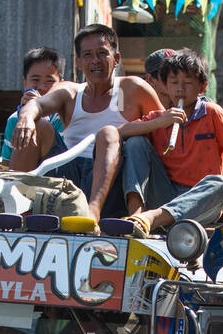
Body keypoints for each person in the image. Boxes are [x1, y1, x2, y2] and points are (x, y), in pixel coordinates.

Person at [9, 23, 162, 220]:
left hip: (114, 184)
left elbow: (164, 133)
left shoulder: (131, 88)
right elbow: (38, 104)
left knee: (108, 133)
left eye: (102, 53)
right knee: (37, 124)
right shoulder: (70, 92)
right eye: (88, 55)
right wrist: (26, 118)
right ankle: (13, 207)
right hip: (68, 180)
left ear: (116, 59)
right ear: (79, 63)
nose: (95, 61)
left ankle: (92, 213)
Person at [119, 49, 223, 235]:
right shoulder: (158, 117)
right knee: (135, 142)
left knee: (221, 184)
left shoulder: (211, 113)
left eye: (187, 83)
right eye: (174, 82)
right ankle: (136, 217)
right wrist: (160, 122)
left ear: (202, 87)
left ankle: (151, 218)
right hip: (163, 196)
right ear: (164, 85)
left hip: (198, 203)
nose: (180, 89)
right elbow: (119, 132)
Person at [0, 47, 67, 161]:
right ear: (25, 83)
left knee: (38, 124)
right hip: (21, 175)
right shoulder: (14, 120)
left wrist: (39, 113)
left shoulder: (65, 117)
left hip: (56, 176)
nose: (41, 87)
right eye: (35, 80)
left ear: (62, 84)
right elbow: (6, 164)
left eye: (49, 81)